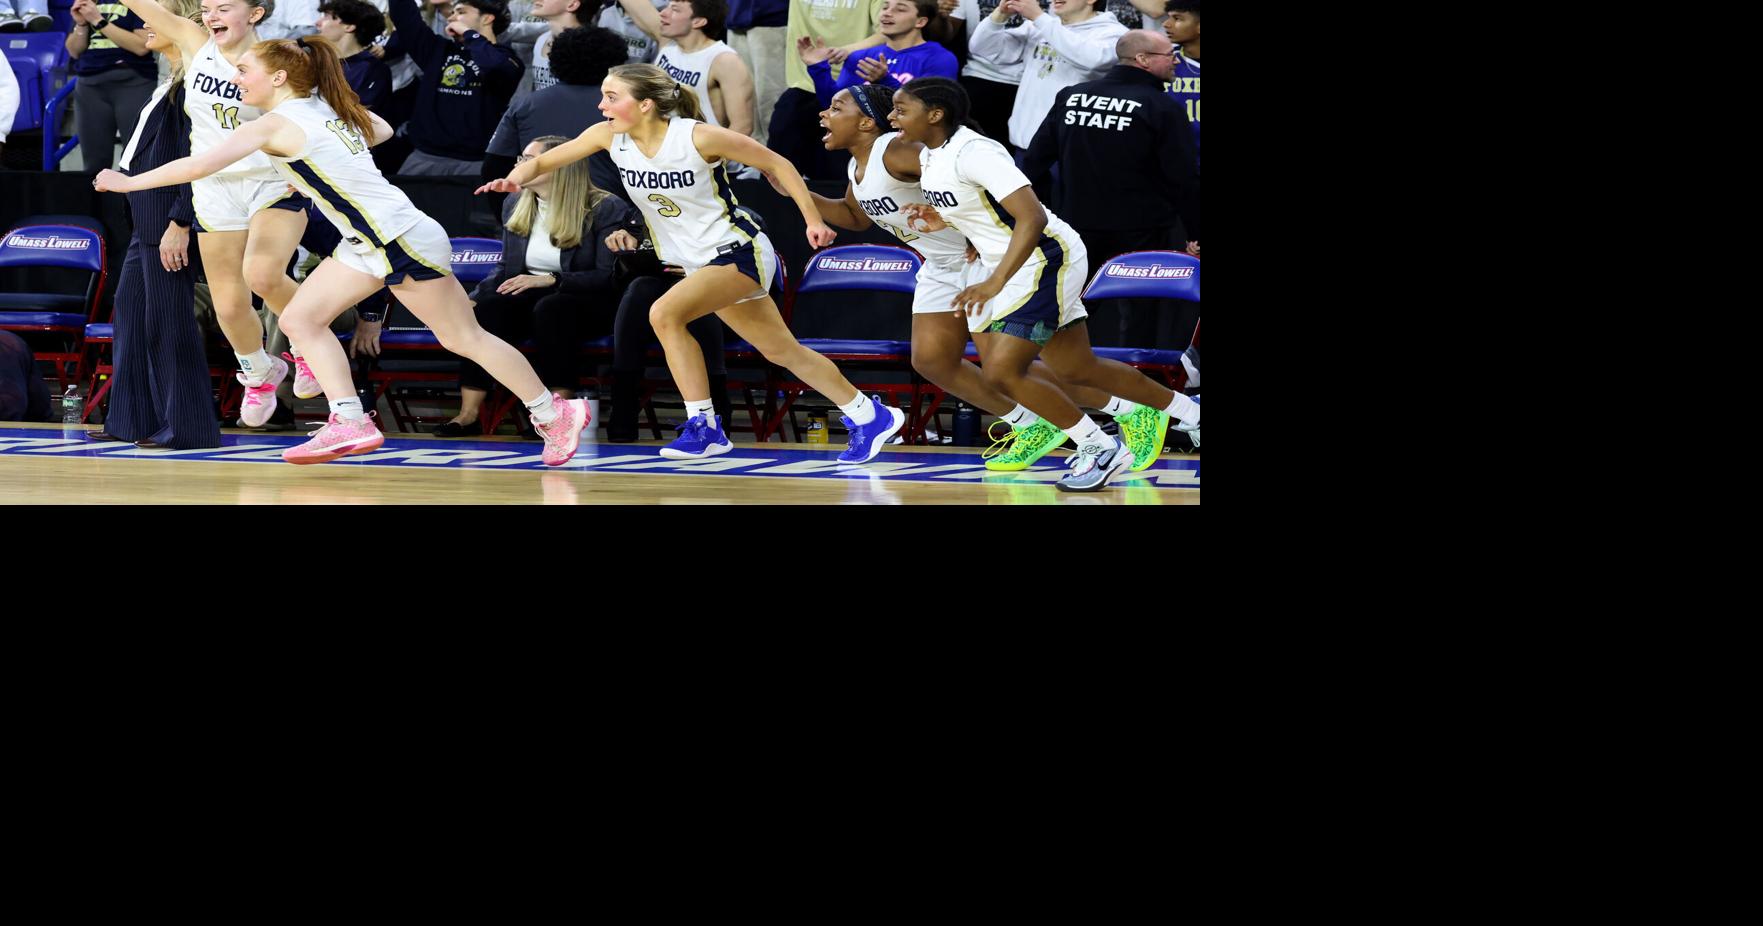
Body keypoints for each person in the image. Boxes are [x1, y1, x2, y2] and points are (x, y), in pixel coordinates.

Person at [95, 35, 592, 465]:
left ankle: (554, 411)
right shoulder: (320, 107)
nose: (238, 78)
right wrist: (314, 167)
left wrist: (128, 181)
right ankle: (349, 419)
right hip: (366, 242)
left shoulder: (274, 124)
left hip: (397, 239)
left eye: (245, 70)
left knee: (465, 338)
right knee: (299, 320)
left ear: (280, 77)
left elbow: (198, 166)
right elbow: (379, 130)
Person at [479, 62, 907, 462]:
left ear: (644, 104)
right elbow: (552, 157)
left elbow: (777, 163)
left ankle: (704, 426)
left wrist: (813, 219)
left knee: (664, 313)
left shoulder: (697, 136)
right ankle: (871, 414)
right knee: (782, 351)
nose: (601, 105)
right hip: (699, 263)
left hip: (738, 251)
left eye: (611, 97)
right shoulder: (609, 137)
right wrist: (512, 179)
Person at [800, 82, 1166, 472]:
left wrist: (976, 230)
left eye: (836, 107)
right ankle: (1029, 424)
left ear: (867, 123)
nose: (824, 113)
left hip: (980, 258)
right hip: (940, 265)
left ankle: (1119, 415)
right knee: (933, 361)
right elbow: (855, 217)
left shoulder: (900, 150)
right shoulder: (859, 165)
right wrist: (798, 193)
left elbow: (966, 169)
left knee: (1009, 369)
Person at [890, 77, 1197, 489]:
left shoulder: (975, 151)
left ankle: (1098, 446)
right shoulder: (930, 156)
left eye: (900, 108)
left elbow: (1031, 217)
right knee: (1075, 367)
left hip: (1044, 257)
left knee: (1002, 370)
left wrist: (995, 281)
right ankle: (1193, 415)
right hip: (1016, 260)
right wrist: (944, 220)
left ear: (935, 114)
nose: (892, 117)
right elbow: (983, 208)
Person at [121, 0, 314, 427]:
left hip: (271, 181)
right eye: (207, 8)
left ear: (256, 14)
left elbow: (310, 121)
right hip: (214, 186)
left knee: (262, 274)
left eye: (224, 7)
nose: (211, 16)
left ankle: (308, 345)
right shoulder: (196, 44)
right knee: (228, 304)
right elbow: (147, 8)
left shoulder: (279, 60)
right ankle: (261, 373)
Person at [433, 135, 631, 435]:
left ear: (559, 165)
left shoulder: (604, 207)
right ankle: (469, 413)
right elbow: (505, 268)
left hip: (587, 298)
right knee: (488, 310)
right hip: (531, 292)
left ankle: (557, 415)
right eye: (521, 159)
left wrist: (552, 280)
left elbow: (610, 276)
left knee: (553, 308)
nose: (519, 166)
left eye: (528, 160)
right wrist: (474, 298)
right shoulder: (516, 203)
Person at [89, 0, 222, 448]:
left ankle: (189, 428)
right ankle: (129, 421)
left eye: (156, 16)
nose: (145, 23)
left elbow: (201, 162)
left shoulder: (195, 89)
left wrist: (180, 221)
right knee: (129, 318)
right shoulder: (169, 81)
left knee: (169, 324)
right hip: (142, 221)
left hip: (167, 221)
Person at [1021, 29, 1197, 349]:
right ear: (1142, 59)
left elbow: (1033, 161)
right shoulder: (1162, 107)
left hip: (1076, 224)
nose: (1175, 60)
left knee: (1067, 306)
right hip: (1140, 231)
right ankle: (1137, 390)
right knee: (1138, 313)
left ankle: (1044, 377)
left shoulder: (1072, 95)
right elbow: (1182, 178)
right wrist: (1196, 231)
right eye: (1167, 55)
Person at [385, 0, 522, 175]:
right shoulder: (437, 50)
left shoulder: (508, 59)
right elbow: (404, 16)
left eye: (461, 12)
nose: (452, 18)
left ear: (487, 18)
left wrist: (469, 34)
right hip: (424, 157)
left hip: (474, 163)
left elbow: (493, 65)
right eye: (452, 13)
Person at [968, 0, 1124, 152]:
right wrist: (1000, 15)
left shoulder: (1113, 32)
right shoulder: (1038, 27)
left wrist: (1039, 17)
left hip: (1072, 149)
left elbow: (1093, 60)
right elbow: (982, 48)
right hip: (1026, 143)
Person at [615, 0, 752, 135]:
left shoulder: (724, 60)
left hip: (701, 151)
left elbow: (742, 126)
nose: (663, 13)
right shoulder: (667, 42)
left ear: (698, 21)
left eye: (675, 9)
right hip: (659, 147)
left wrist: (712, 157)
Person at [798, 0, 956, 107]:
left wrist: (885, 80)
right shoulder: (860, 57)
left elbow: (929, 110)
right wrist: (818, 68)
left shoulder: (940, 59)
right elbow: (834, 105)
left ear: (920, 21)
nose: (887, 13)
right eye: (885, 7)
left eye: (900, 9)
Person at [67, 0, 158, 172]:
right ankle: (95, 199)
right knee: (94, 163)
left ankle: (135, 199)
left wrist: (98, 21)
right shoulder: (89, 1)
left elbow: (141, 46)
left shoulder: (138, 2)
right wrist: (81, 23)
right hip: (89, 85)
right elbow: (73, 50)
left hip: (132, 82)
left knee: (137, 159)